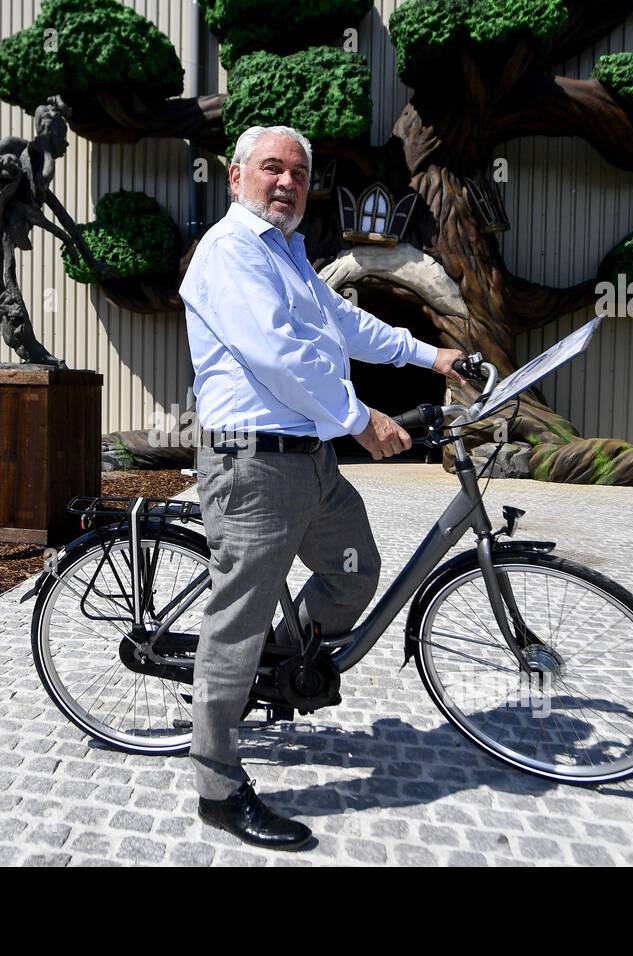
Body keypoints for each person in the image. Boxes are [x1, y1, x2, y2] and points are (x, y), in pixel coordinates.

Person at [180, 125, 464, 850]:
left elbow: (343, 324)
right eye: (271, 168)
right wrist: (358, 417)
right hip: (253, 469)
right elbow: (276, 356)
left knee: (353, 570)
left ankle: (271, 671)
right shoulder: (231, 251)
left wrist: (432, 356)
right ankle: (216, 783)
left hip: (308, 463)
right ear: (237, 174)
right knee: (233, 624)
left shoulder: (287, 253)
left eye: (299, 174)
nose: (286, 183)